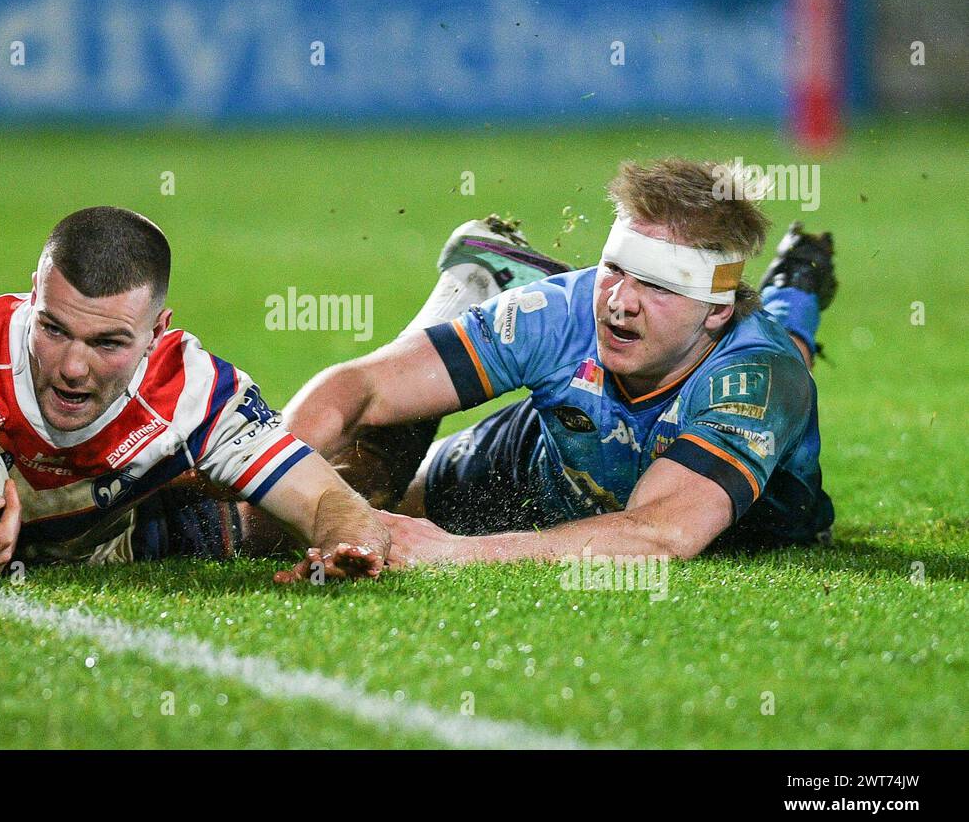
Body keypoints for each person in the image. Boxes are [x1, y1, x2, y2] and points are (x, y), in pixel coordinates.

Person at [0, 207, 391, 581]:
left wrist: (342, 543)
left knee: (373, 488)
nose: (73, 367)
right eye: (53, 329)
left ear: (155, 333)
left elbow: (332, 502)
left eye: (107, 343)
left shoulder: (192, 391)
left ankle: (454, 314)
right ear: (32, 295)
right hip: (40, 532)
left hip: (146, 532)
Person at [273, 158, 837, 576]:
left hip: (740, 476)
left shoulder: (758, 377)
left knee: (785, 356)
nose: (619, 301)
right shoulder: (563, 309)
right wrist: (269, 466)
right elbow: (363, 386)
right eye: (614, 269)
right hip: (535, 459)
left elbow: (659, 533)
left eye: (657, 286)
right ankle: (488, 281)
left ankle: (793, 290)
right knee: (373, 501)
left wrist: (452, 553)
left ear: (714, 307)